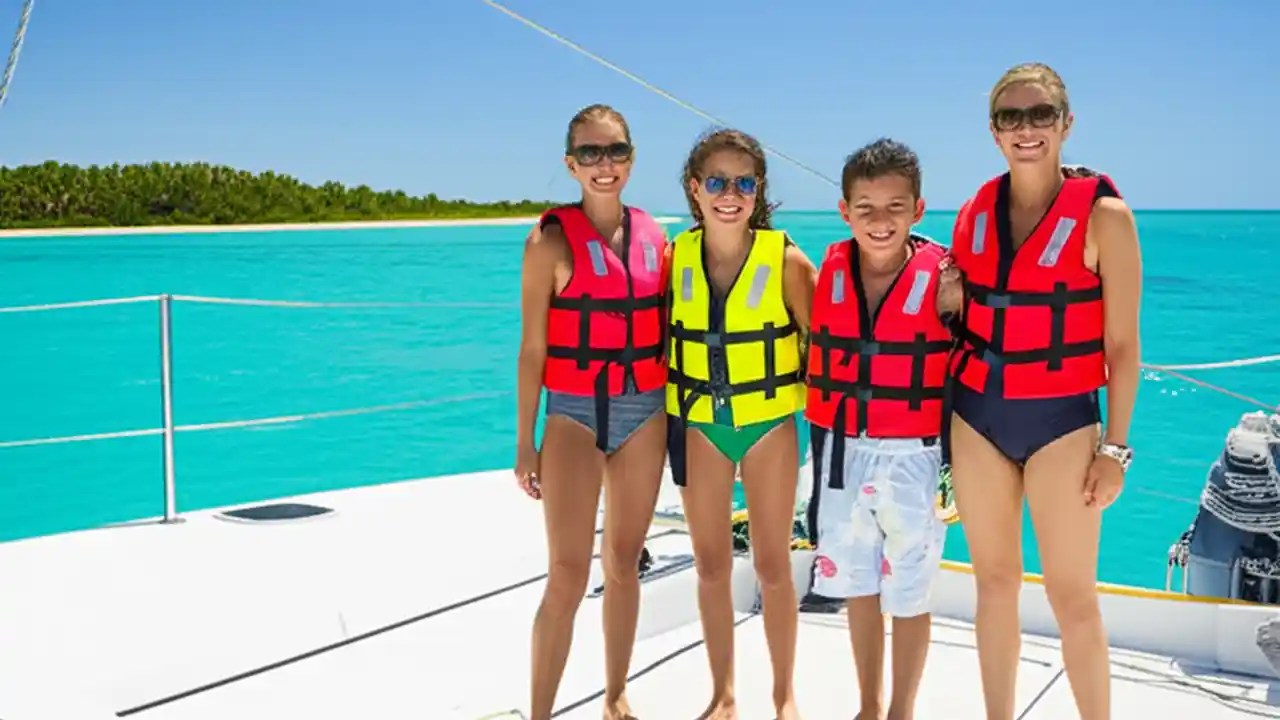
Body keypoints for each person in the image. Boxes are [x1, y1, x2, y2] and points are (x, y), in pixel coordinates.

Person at [947, 63, 1142, 720]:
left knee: (1071, 596)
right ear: (994, 132)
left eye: (1040, 115)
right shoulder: (973, 213)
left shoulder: (1105, 218)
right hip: (976, 420)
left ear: (1065, 124)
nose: (1025, 130)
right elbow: (958, 315)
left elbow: (1122, 348)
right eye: (1011, 118)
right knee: (994, 586)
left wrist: (1115, 449)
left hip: (1062, 423)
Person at [515, 103, 670, 720]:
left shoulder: (656, 235)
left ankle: (615, 696)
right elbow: (533, 349)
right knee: (567, 573)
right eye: (590, 154)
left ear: (631, 158)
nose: (604, 166)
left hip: (645, 411)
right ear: (570, 164)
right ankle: (541, 712)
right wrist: (524, 443)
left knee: (625, 564)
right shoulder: (547, 241)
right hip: (573, 414)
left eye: (616, 152)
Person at [804, 138, 963, 720]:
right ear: (844, 211)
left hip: (915, 458)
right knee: (857, 588)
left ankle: (902, 711)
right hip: (842, 454)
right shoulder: (827, 271)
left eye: (895, 207)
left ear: (918, 210)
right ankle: (868, 708)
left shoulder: (948, 278)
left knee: (910, 593)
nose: (880, 221)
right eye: (865, 207)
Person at [666, 127, 815, 720]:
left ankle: (783, 697)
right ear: (694, 189)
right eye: (718, 182)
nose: (731, 194)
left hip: (768, 426)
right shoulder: (675, 257)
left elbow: (827, 354)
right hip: (700, 427)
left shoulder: (787, 261)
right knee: (709, 566)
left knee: (774, 566)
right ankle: (723, 695)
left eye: (744, 183)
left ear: (759, 192)